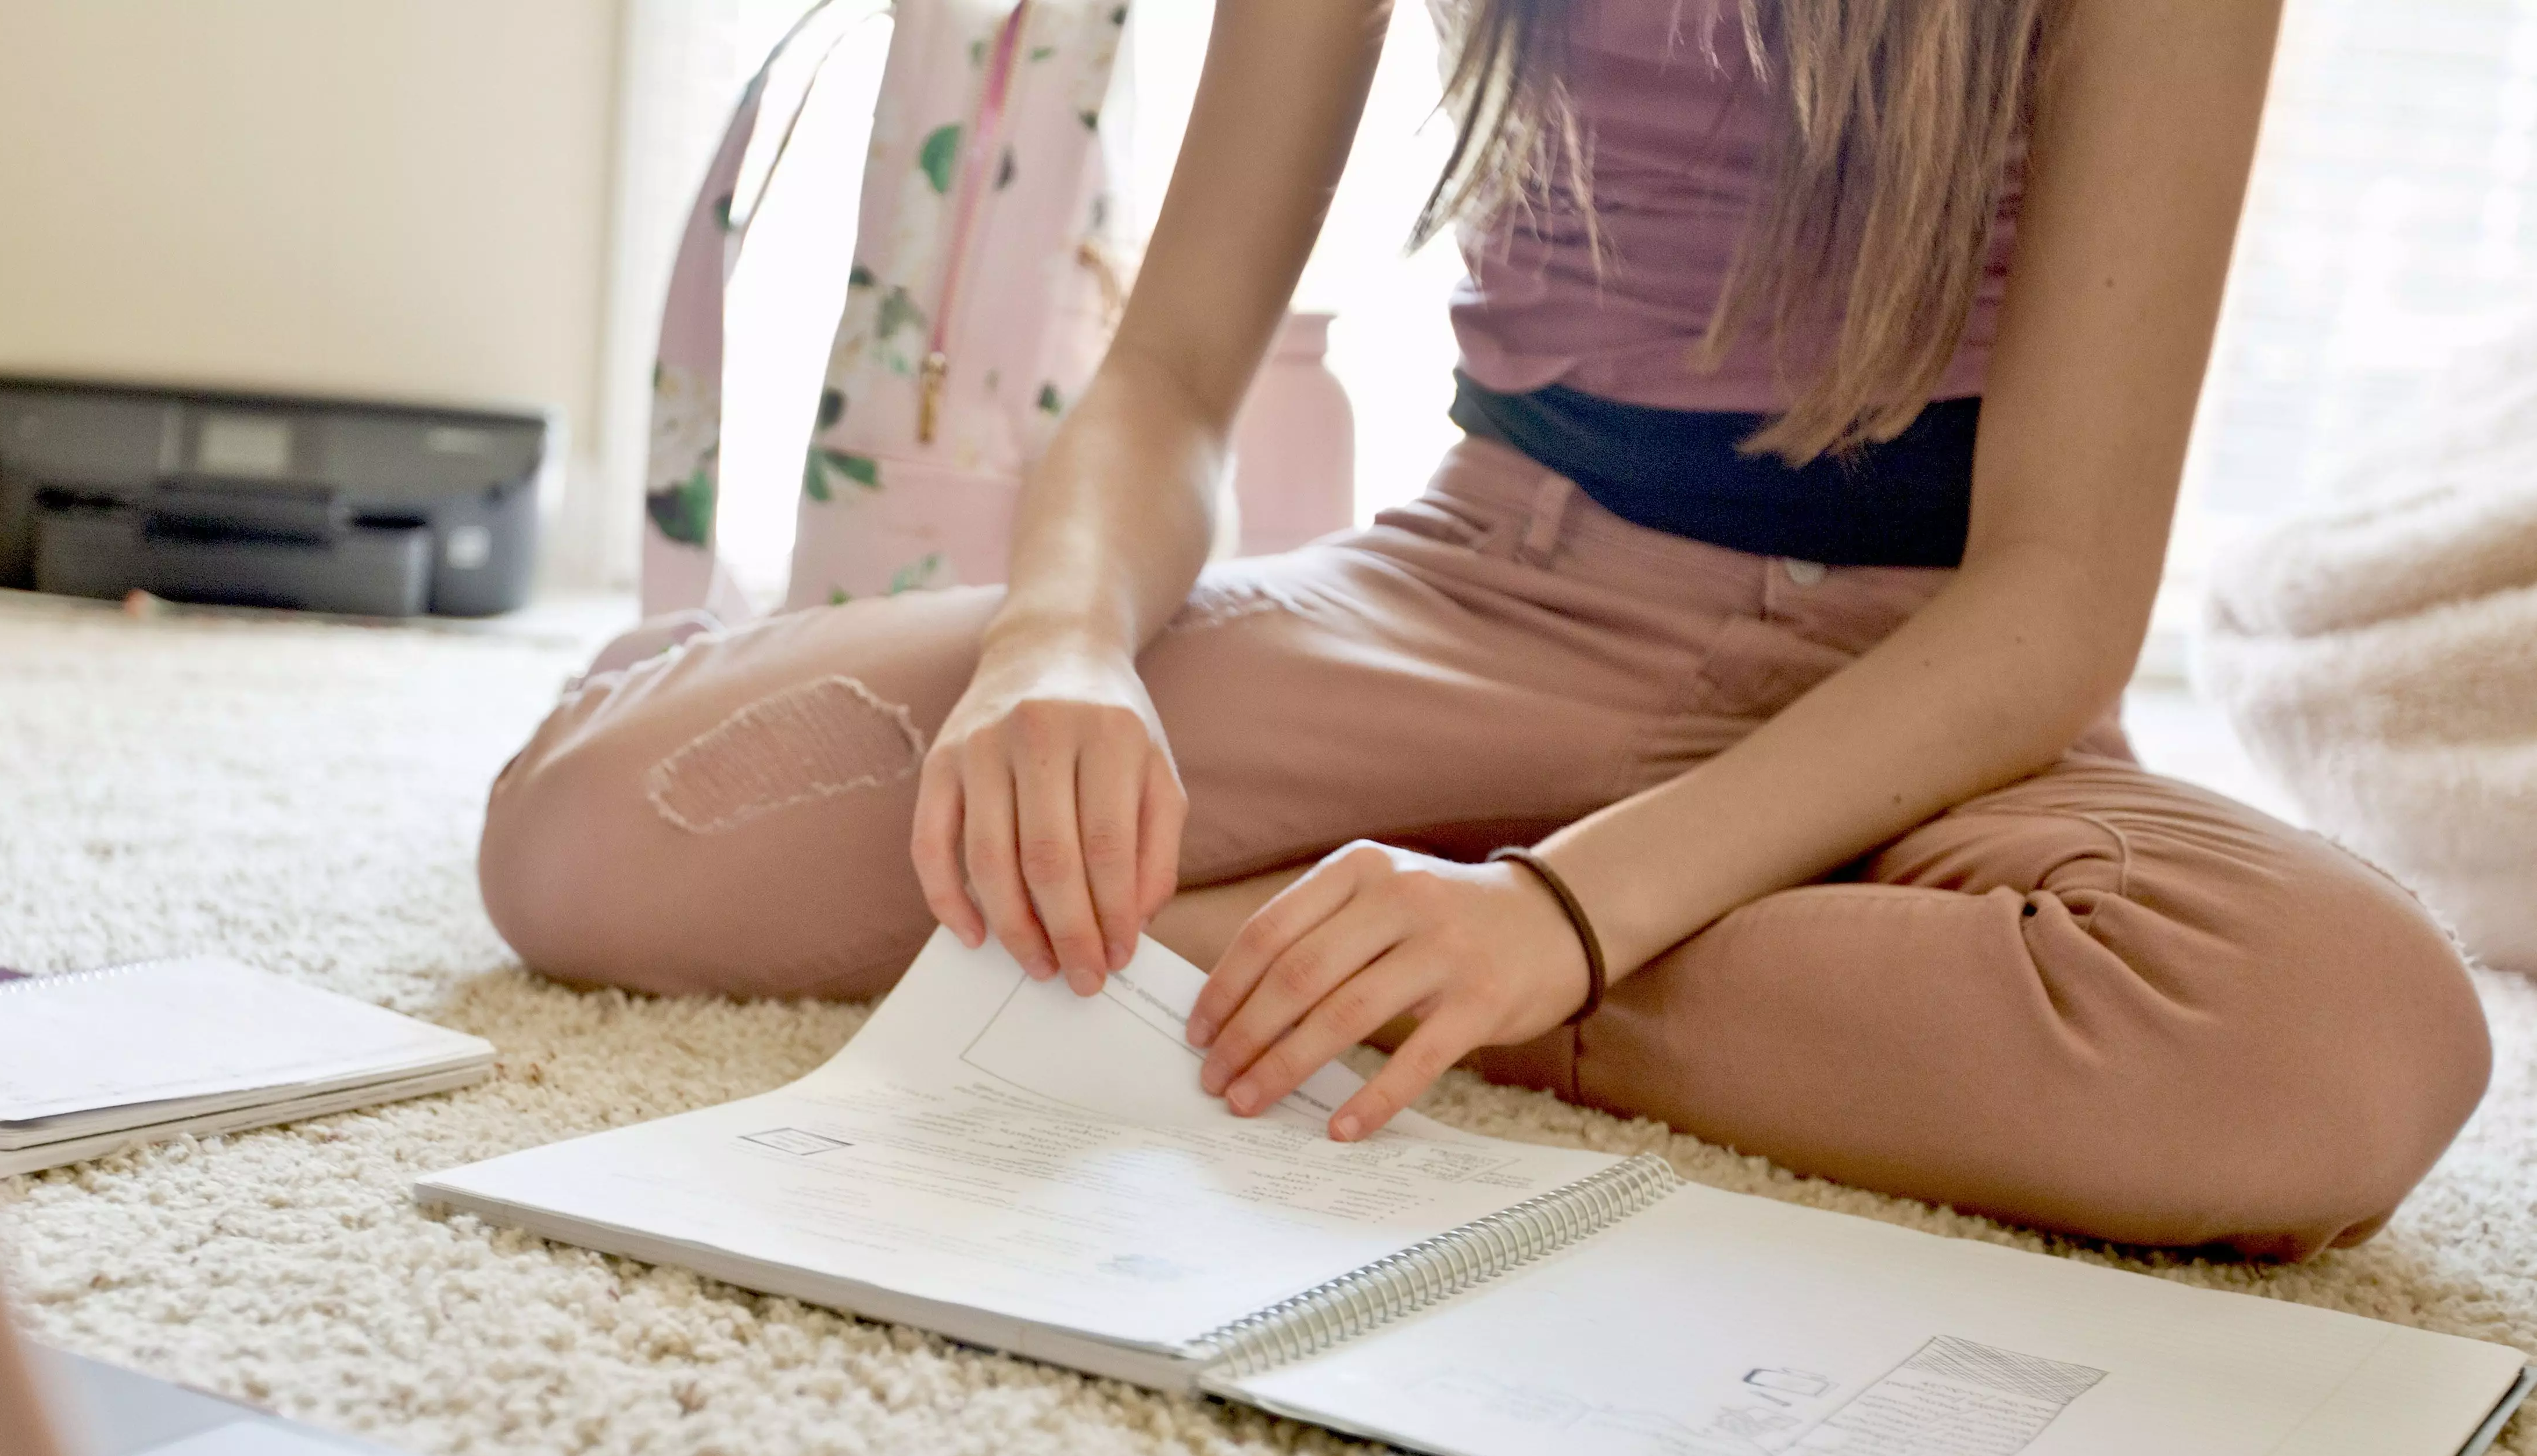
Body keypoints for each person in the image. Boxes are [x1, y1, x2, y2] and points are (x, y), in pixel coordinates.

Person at [481, 0, 2491, 1260]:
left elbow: (2054, 609)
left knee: (2345, 1047)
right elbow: (1174, 375)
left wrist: (1560, 921)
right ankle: (1386, 929)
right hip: (1479, 598)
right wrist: (1057, 651)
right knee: (588, 838)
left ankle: (1364, 961)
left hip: (1915, 697)